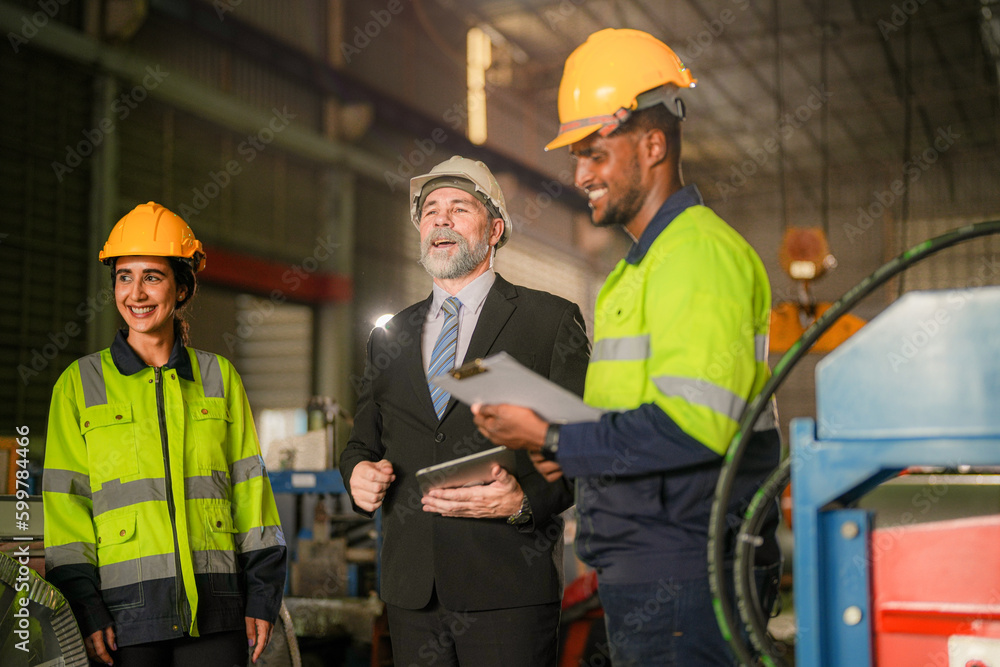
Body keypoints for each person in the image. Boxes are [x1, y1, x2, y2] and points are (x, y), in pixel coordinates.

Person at [471, 29, 781, 666]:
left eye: (596, 154)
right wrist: (567, 454)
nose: (580, 175)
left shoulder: (697, 256)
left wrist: (552, 438)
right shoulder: (638, 270)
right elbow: (640, 422)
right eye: (576, 157)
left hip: (689, 573)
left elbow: (695, 428)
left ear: (653, 145)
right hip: (654, 567)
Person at [340, 156, 589, 666]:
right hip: (413, 591)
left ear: (494, 230)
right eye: (430, 210)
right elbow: (362, 443)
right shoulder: (389, 336)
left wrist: (525, 500)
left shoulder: (548, 321)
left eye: (459, 208)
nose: (441, 220)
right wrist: (356, 474)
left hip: (508, 589)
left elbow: (585, 446)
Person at [42, 202, 287, 666]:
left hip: (217, 610)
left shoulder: (219, 378)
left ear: (182, 286)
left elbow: (252, 496)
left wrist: (262, 595)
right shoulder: (78, 385)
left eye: (152, 277)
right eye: (124, 277)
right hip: (123, 619)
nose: (136, 293)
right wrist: (85, 608)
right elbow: (66, 510)